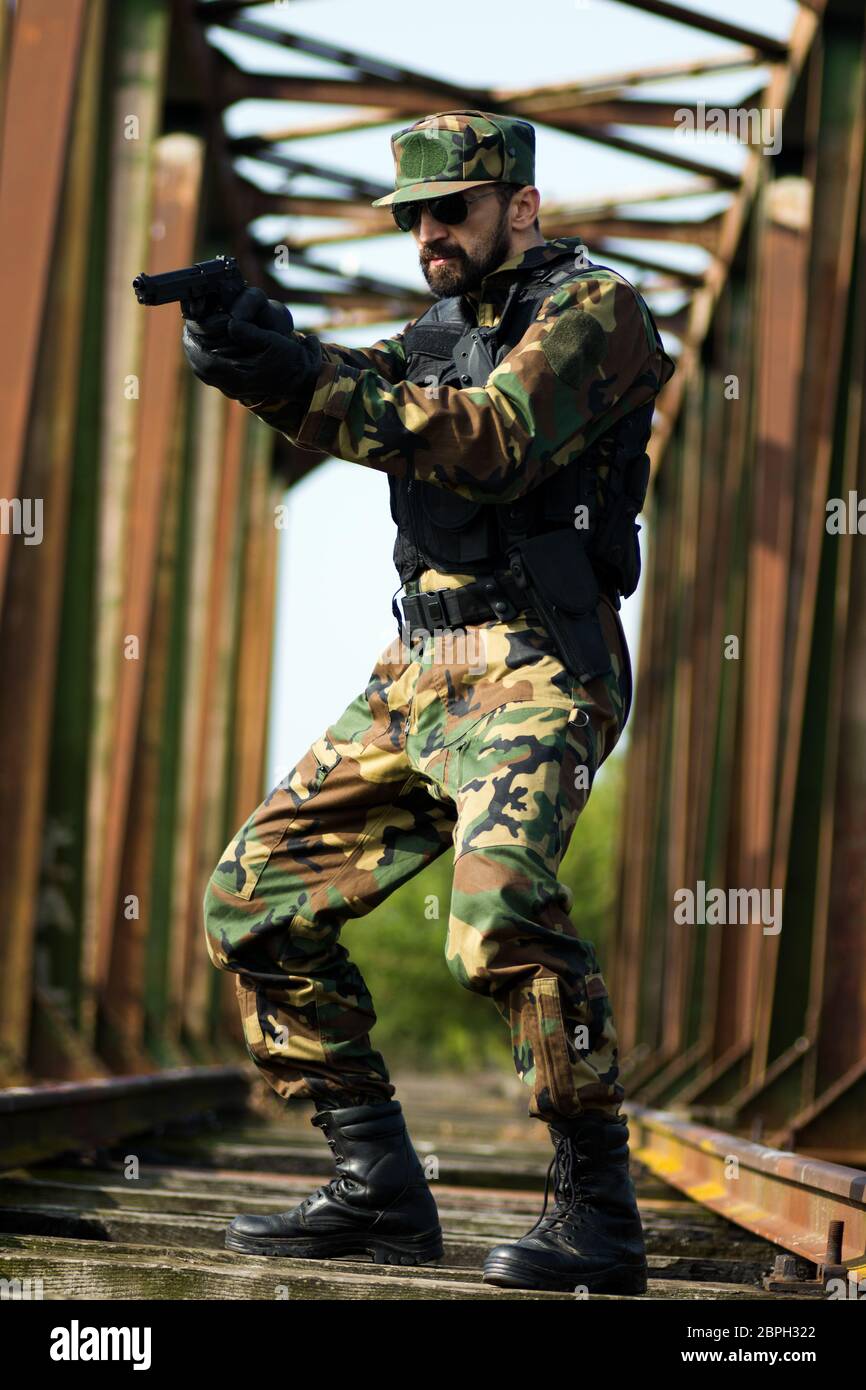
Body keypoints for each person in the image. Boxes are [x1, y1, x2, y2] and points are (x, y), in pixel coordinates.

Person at [182, 109, 675, 1293]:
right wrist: (261, 361)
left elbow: (492, 440)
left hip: (537, 664)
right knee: (254, 902)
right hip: (418, 674)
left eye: (450, 208)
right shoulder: (436, 331)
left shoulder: (596, 313)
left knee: (496, 911)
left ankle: (596, 1212)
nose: (427, 234)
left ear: (520, 205)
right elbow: (364, 391)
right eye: (410, 217)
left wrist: (308, 379)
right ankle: (376, 1188)